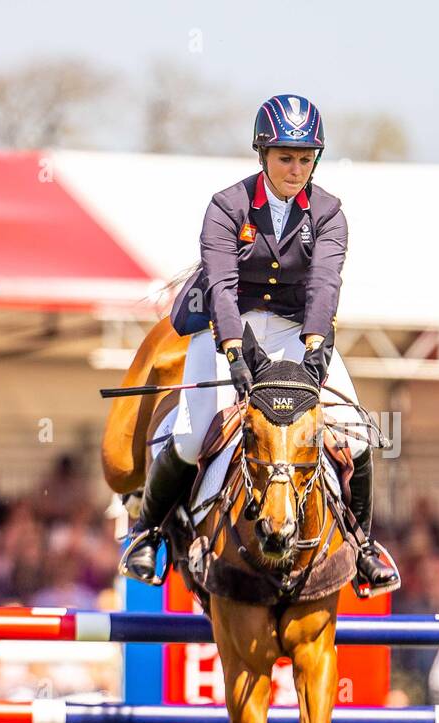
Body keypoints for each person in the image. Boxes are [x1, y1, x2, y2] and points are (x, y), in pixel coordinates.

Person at [123, 93, 398, 595]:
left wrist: (315, 347)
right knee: (191, 435)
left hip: (298, 327)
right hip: (230, 323)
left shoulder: (330, 212)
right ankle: (147, 535)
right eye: (285, 158)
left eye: (305, 159)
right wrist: (233, 352)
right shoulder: (226, 206)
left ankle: (361, 549)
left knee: (357, 432)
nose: (296, 169)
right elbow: (222, 286)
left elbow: (324, 284)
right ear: (263, 155)